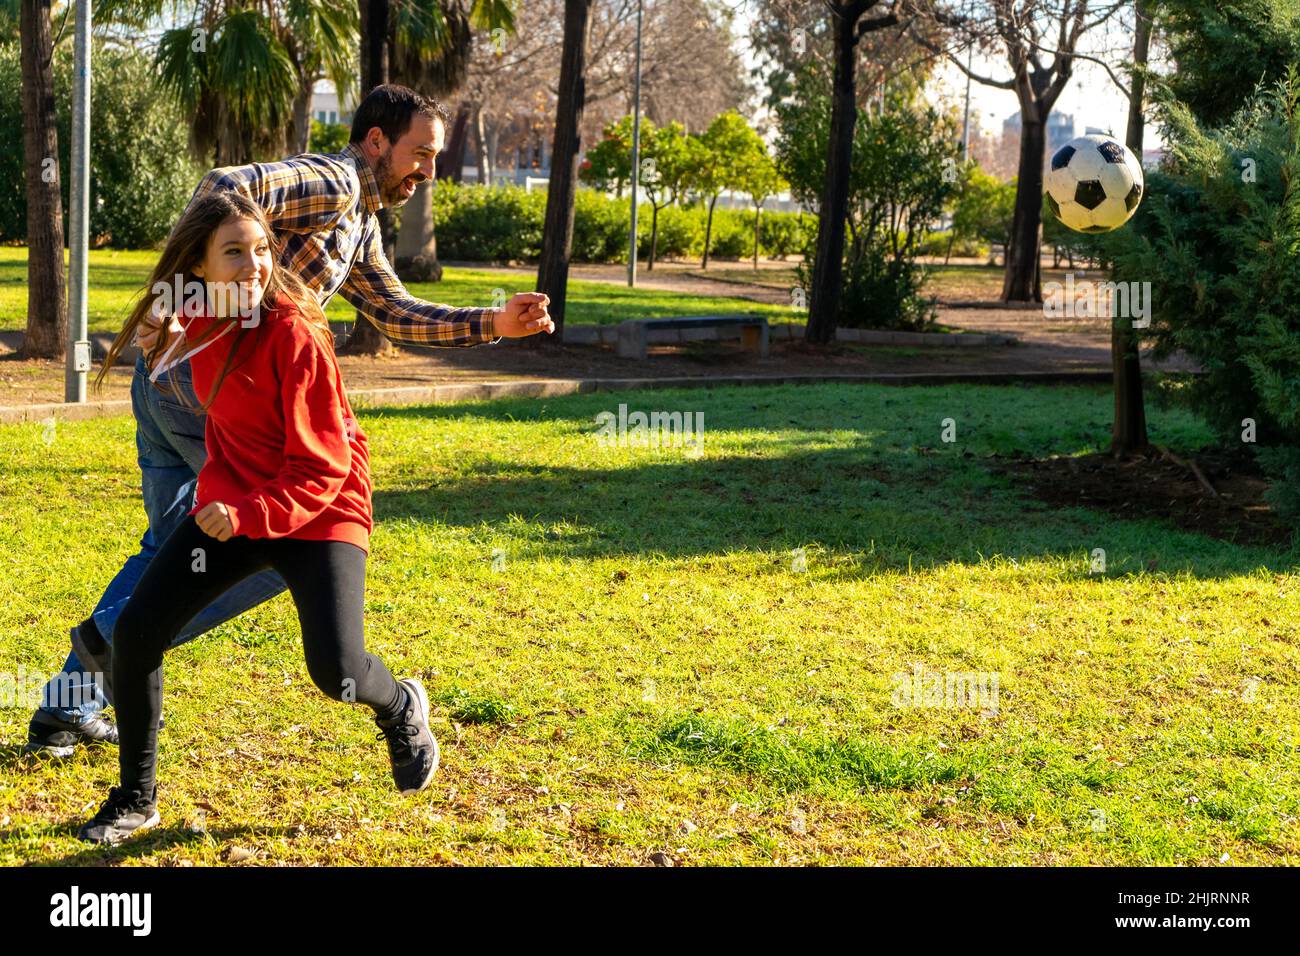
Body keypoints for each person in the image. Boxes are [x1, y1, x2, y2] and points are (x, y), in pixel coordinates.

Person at [27, 84, 553, 756]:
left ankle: (69, 701)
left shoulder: (358, 224)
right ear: (375, 142)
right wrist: (172, 301)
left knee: (173, 550)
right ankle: (113, 645)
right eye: (420, 152)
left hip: (166, 386)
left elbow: (393, 312)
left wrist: (492, 323)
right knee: (274, 550)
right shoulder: (334, 183)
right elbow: (225, 184)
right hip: (206, 395)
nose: (429, 170)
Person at [80, 190, 459, 843]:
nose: (255, 265)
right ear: (199, 266)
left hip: (320, 508)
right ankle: (135, 799)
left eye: (261, 249)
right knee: (137, 632)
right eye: (235, 252)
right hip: (234, 505)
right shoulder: (202, 306)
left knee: (335, 670)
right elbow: (168, 309)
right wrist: (157, 334)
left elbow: (323, 466)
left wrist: (249, 510)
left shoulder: (292, 331)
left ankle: (400, 706)